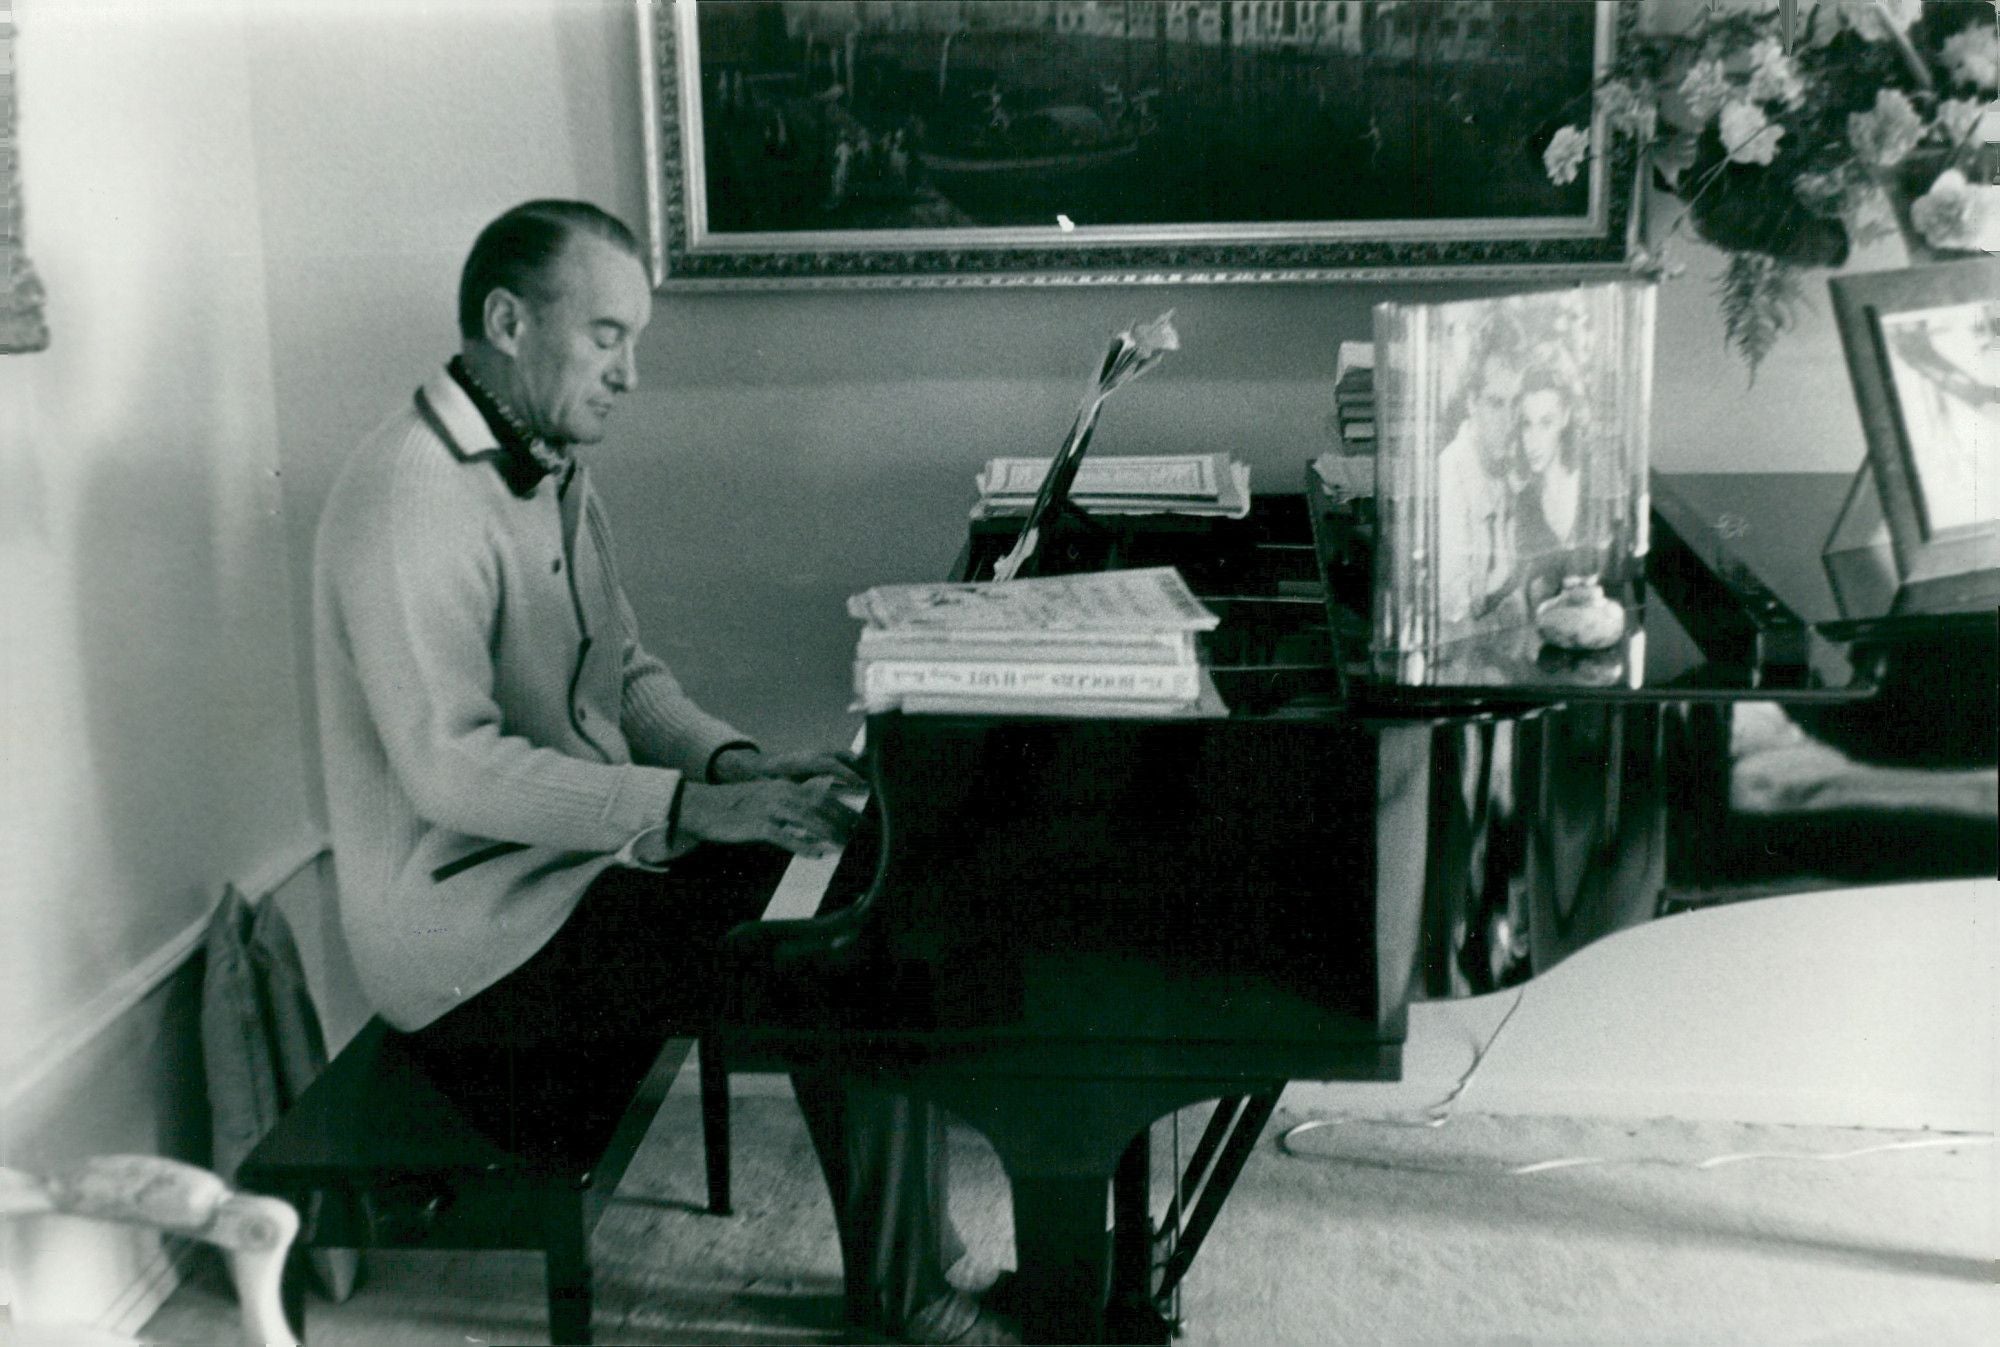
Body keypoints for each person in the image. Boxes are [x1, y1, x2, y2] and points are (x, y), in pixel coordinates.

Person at [312, 200, 1009, 1344]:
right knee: (847, 953)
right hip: (468, 948)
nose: (630, 374)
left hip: (562, 878)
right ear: (505, 321)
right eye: (605, 336)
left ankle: (915, 1271)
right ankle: (912, 1304)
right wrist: (690, 808)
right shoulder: (410, 496)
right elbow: (449, 772)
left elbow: (625, 679)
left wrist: (736, 762)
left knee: (860, 875)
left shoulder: (541, 461)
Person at [1434, 314, 1527, 633]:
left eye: (1516, 403)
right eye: (1495, 403)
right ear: (1472, 402)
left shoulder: (1511, 468)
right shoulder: (1451, 474)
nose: (1509, 419)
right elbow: (1452, 615)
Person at [1509, 361, 1588, 612]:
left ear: (1565, 417)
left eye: (1546, 423)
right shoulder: (1526, 503)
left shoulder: (1593, 483)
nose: (1534, 440)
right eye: (1527, 424)